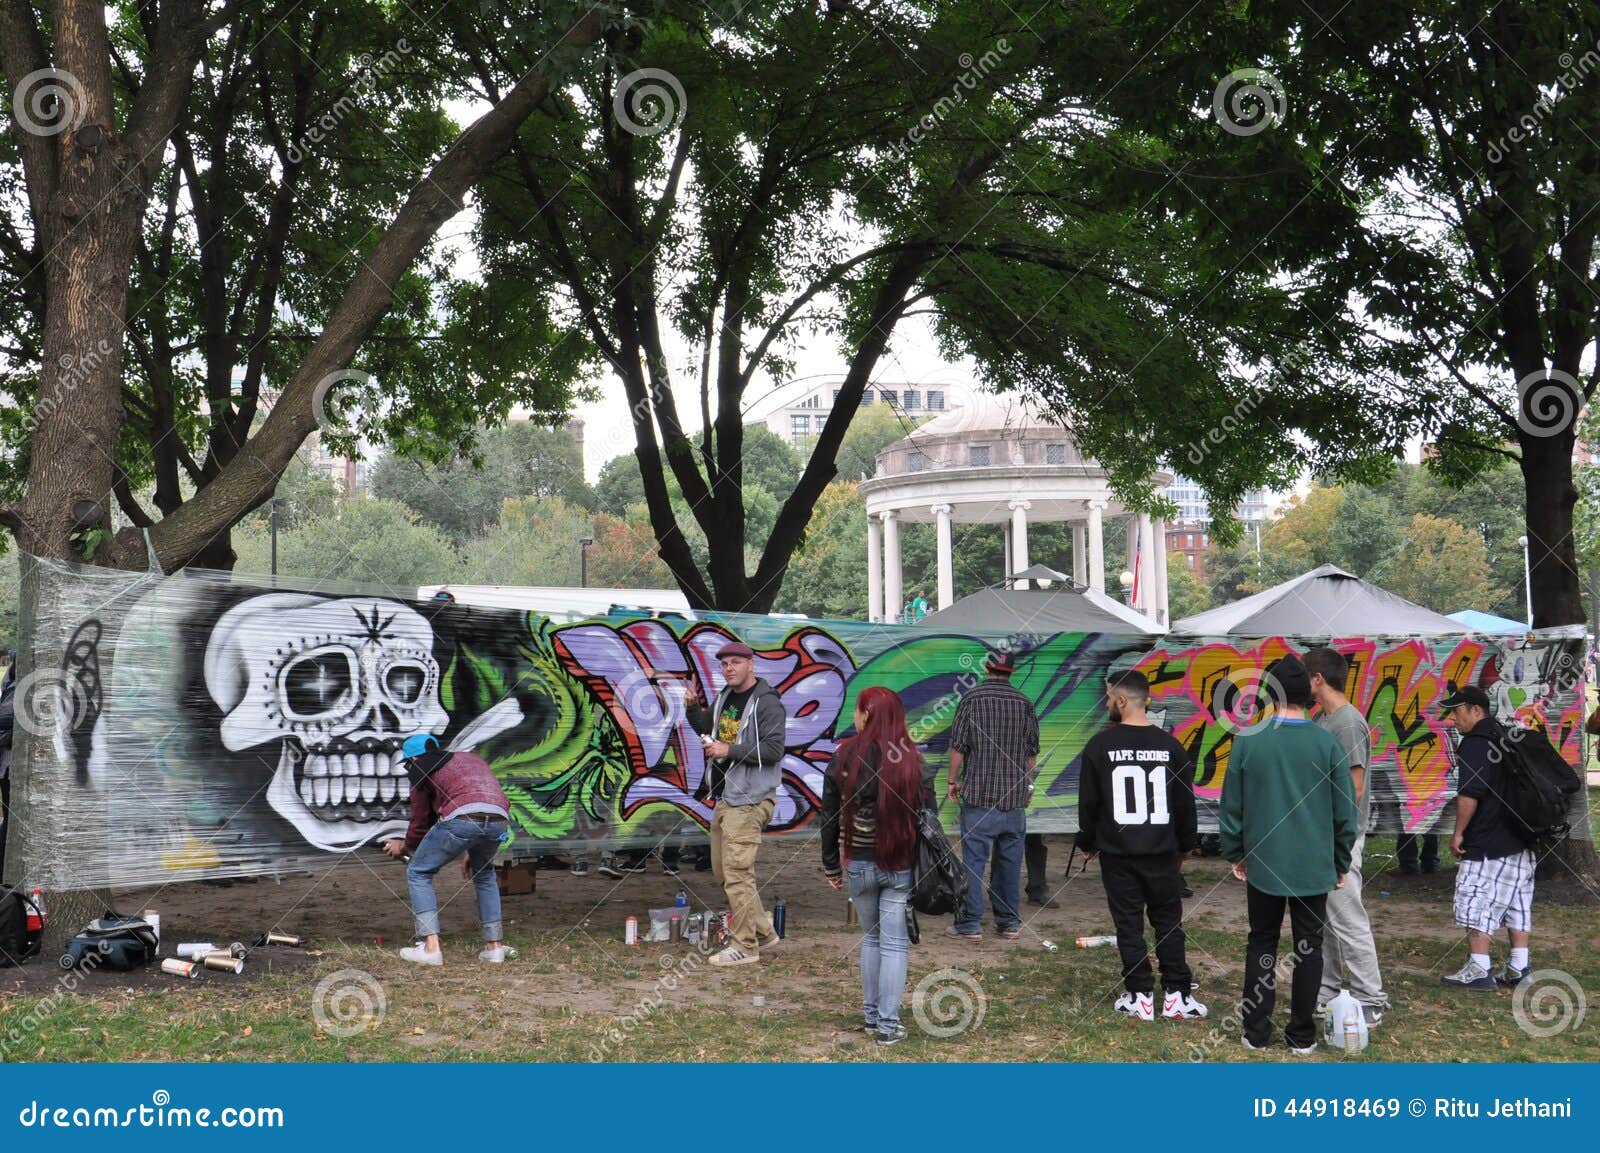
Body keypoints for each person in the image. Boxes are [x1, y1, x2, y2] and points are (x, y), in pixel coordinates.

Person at [1220, 656, 1356, 1053]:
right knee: (1309, 947)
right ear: (1307, 695)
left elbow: (1233, 807)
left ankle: (1256, 1032)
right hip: (1315, 865)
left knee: (1261, 942)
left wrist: (1236, 852)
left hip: (1264, 861)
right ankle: (1301, 1036)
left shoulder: (1248, 740)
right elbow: (1344, 809)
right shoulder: (1327, 742)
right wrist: (1340, 860)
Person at [1075, 670, 1206, 1021]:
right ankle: (1177, 995)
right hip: (1163, 853)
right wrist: (1186, 845)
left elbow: (1089, 804)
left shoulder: (1099, 747)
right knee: (1169, 922)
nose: (1105, 704)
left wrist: (1086, 842)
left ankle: (1140, 996)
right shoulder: (1171, 747)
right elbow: (1184, 804)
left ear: (1120, 700)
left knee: (1128, 924)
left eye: (1106, 697)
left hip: (1118, 854)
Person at [820, 686, 927, 1045]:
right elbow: (928, 819)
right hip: (898, 864)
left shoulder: (843, 756)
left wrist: (831, 865)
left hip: (859, 863)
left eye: (857, 710)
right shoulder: (912, 759)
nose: (855, 716)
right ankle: (888, 1024)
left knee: (871, 938)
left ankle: (871, 1016)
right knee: (894, 944)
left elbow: (829, 818)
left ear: (867, 715)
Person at [685, 642, 787, 966]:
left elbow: (773, 750)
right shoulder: (726, 697)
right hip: (728, 797)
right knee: (724, 872)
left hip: (751, 799)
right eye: (724, 664)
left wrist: (728, 751)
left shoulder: (767, 703)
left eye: (735, 662)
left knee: (738, 873)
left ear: (751, 665)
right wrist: (692, 708)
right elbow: (707, 728)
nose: (728, 668)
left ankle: (744, 946)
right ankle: (764, 933)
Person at [1305, 647, 1389, 1028]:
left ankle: (1371, 997)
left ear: (1318, 679)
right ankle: (1327, 990)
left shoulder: (1347, 723)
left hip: (1340, 839)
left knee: (1348, 917)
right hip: (1322, 837)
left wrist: (1330, 836)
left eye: (1305, 677)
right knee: (1326, 920)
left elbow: (1352, 789)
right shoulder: (1323, 719)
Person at [1437, 684, 1537, 990]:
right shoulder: (1508, 734)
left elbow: (1470, 793)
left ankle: (1480, 969)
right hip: (1521, 837)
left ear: (1475, 710)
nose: (1452, 719)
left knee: (1475, 899)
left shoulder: (1476, 742)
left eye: (1456, 712)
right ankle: (1519, 967)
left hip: (1488, 839)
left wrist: (1458, 833)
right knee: (1518, 902)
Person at [383, 733, 513, 966]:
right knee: (484, 874)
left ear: (413, 760)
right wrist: (468, 850)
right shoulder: (471, 759)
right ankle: (494, 948)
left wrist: (401, 845)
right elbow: (479, 798)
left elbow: (421, 823)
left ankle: (431, 949)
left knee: (418, 872)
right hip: (498, 819)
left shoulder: (421, 767)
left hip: (462, 819)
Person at [946, 649, 1039, 942]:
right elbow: (1031, 754)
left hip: (979, 797)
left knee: (974, 862)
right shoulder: (1024, 703)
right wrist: (1028, 787)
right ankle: (1009, 923)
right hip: (1013, 800)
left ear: (987, 668)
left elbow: (959, 747)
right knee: (1010, 863)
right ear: (1012, 671)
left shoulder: (971, 699)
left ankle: (970, 924)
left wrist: (952, 780)